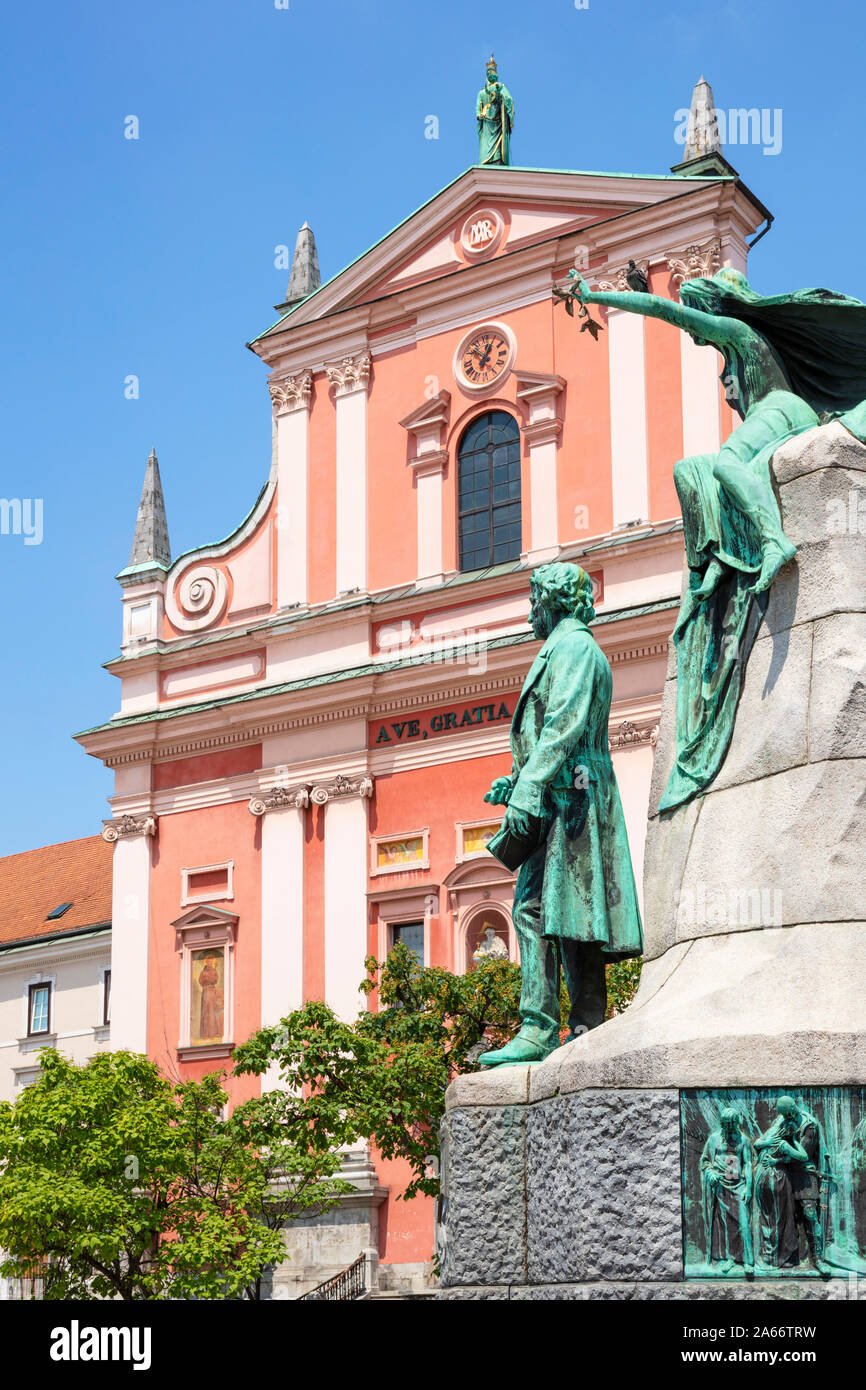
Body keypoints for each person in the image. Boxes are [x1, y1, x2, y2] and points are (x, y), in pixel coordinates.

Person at [563, 268, 866, 809]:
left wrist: (595, 295)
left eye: (700, 318)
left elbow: (666, 314)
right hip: (782, 415)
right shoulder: (739, 349)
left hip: (787, 414)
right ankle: (718, 559)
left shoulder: (741, 334)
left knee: (724, 463)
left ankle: (773, 543)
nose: (698, 335)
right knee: (694, 470)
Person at [478, 562, 642, 1066]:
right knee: (577, 915)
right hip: (575, 789)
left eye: (534, 602)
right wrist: (518, 778)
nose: (530, 614)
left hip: (568, 795)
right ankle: (587, 1023)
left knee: (532, 910)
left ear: (553, 601)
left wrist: (529, 786)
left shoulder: (571, 647)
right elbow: (556, 732)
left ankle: (538, 1024)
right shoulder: (575, 648)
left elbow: (565, 725)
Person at [754, 1095, 829, 1273]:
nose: (785, 1118)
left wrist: (780, 1157)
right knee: (785, 1216)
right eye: (783, 1116)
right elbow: (763, 1141)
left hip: (803, 1174)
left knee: (810, 1213)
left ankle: (818, 1259)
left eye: (787, 1115)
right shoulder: (782, 1119)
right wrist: (768, 1144)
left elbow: (801, 1155)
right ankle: (789, 1258)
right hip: (785, 1175)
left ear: (793, 1109)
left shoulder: (809, 1125)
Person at [700, 1106, 754, 1273]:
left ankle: (747, 1260)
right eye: (727, 1125)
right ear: (723, 1124)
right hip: (720, 1186)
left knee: (743, 1223)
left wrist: (749, 1188)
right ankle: (729, 1258)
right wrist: (710, 1174)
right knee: (725, 1225)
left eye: (732, 1124)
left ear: (736, 1123)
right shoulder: (714, 1139)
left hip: (738, 1185)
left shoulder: (743, 1140)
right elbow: (705, 1161)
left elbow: (748, 1164)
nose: (730, 1128)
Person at [476, 56, 514, 166]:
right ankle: (486, 160)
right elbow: (477, 106)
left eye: (492, 72)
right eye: (488, 72)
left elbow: (509, 99)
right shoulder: (482, 92)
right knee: (485, 144)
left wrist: (501, 97)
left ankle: (497, 158)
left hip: (497, 122)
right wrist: (478, 114)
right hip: (486, 122)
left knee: (497, 145)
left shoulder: (500, 87)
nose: (490, 74)